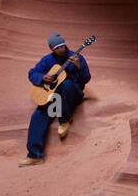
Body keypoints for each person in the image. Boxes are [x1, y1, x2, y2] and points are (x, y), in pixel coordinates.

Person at [18, 33, 90, 167]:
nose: (61, 49)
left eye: (62, 46)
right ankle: (35, 156)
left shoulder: (77, 57)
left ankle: (65, 120)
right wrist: (42, 77)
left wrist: (79, 67)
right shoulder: (47, 60)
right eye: (57, 48)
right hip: (55, 97)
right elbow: (32, 73)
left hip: (73, 94)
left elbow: (86, 79)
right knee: (38, 116)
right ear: (52, 49)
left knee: (66, 84)